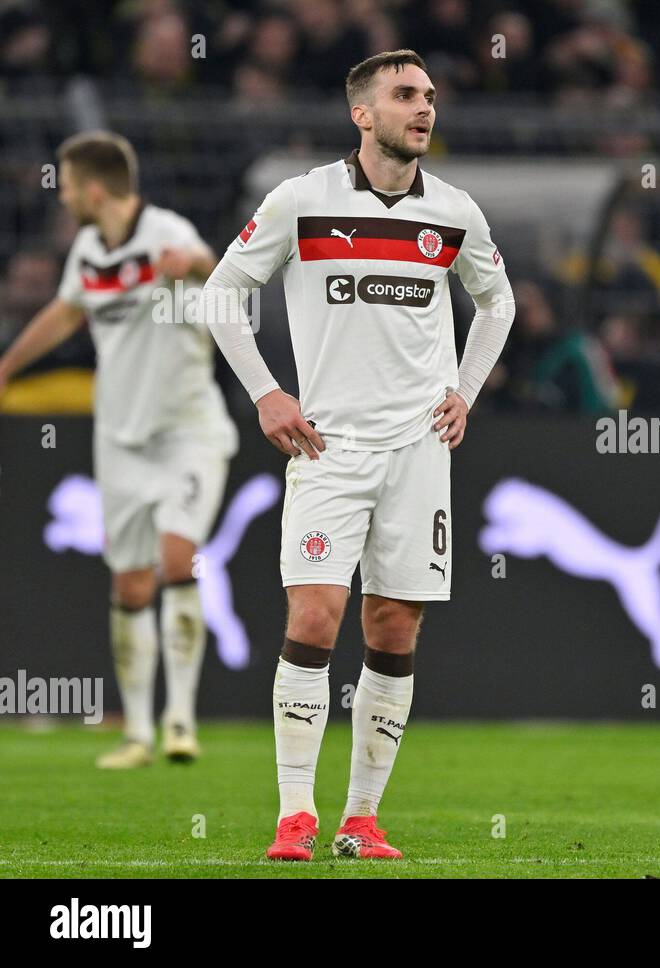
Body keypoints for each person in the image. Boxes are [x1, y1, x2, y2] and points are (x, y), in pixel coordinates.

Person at [200, 49, 514, 861]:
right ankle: (294, 816)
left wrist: (465, 390)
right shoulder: (302, 200)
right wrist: (268, 393)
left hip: (418, 449)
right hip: (328, 446)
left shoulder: (455, 212)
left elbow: (497, 300)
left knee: (395, 625)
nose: (424, 108)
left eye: (431, 97)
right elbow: (222, 294)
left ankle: (362, 819)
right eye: (405, 95)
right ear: (362, 114)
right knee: (313, 616)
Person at [0, 131, 236, 768]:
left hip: (187, 430)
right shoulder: (87, 248)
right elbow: (66, 311)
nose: (64, 196)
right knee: (130, 585)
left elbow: (215, 267)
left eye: (68, 185)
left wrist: (193, 266)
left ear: (94, 188)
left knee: (177, 558)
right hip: (120, 439)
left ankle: (181, 722)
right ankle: (137, 732)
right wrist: (8, 366)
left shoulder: (165, 230)